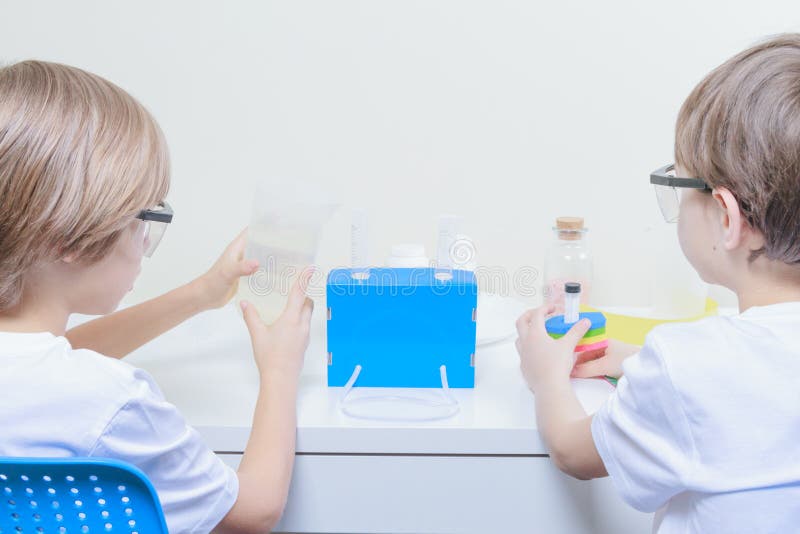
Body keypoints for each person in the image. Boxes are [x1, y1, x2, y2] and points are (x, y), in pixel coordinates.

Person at [0, 60, 312, 533]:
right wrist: (281, 370)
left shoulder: (38, 375)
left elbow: (51, 359)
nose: (144, 241)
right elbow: (254, 510)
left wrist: (201, 294)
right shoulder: (113, 400)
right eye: (140, 219)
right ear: (66, 238)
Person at [515, 34, 800, 532]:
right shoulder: (694, 360)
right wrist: (638, 359)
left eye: (679, 185)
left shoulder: (688, 366)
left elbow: (573, 451)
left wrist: (545, 379)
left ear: (725, 217)